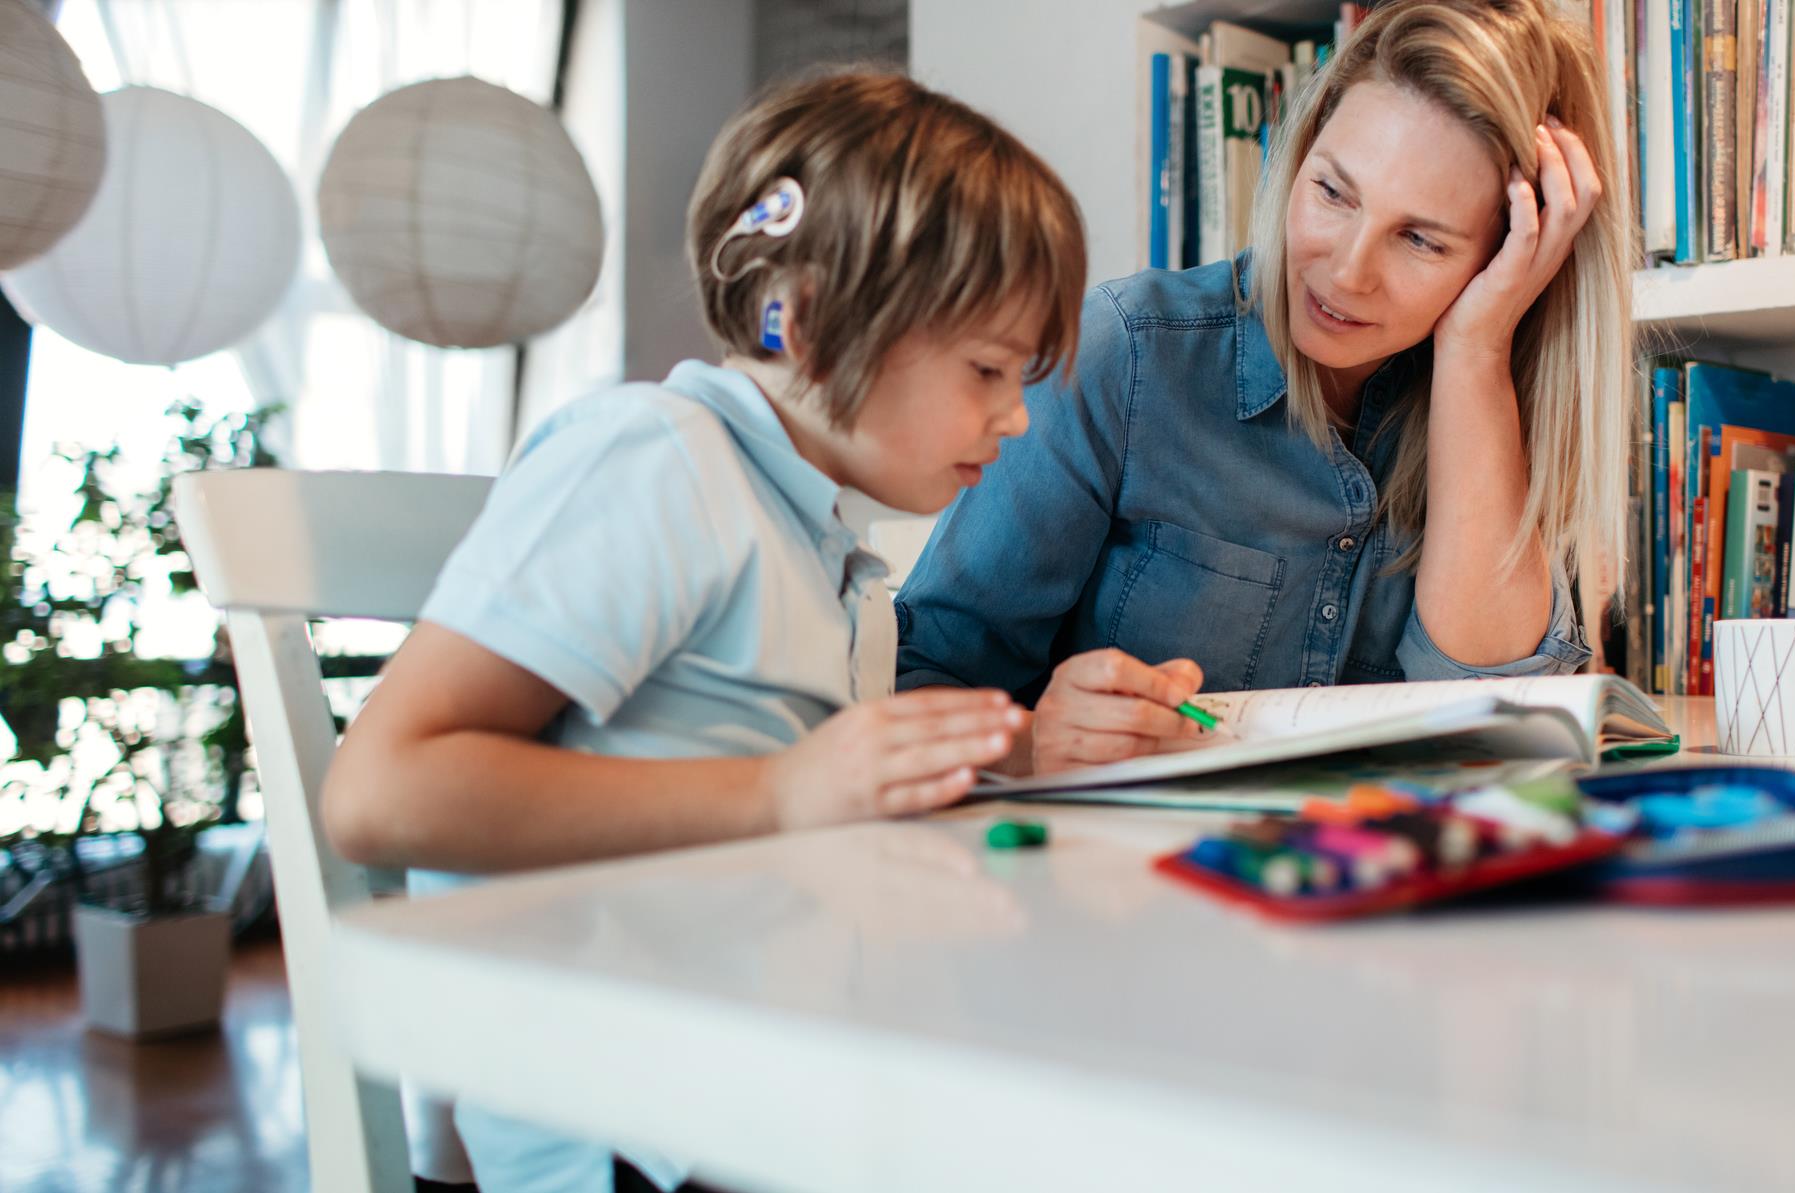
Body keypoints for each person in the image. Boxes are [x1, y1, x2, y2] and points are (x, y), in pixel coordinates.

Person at [322, 69, 1086, 1193]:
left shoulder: (823, 544)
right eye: (987, 368)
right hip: (645, 1131)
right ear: (819, 324)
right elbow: (380, 790)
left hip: (765, 1083)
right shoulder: (657, 461)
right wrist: (778, 795)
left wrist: (1003, 747)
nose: (1017, 414)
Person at [897, 0, 1631, 776]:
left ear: (1511, 253)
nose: (1346, 272)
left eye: (1420, 239)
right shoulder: (1126, 356)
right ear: (1297, 157)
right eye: (1333, 193)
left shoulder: (1501, 407)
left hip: (1378, 877)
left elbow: (1498, 723)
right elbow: (922, 678)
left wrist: (1476, 349)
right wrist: (1031, 739)